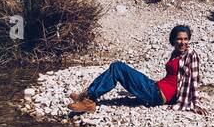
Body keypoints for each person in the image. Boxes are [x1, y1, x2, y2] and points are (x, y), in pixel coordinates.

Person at [69, 24, 204, 114]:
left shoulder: (191, 55)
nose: (183, 42)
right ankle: (87, 96)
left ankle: (89, 101)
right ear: (173, 40)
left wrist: (195, 103)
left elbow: (194, 80)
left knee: (118, 67)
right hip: (155, 87)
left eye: (186, 39)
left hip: (157, 96)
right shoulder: (176, 54)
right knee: (116, 67)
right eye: (179, 39)